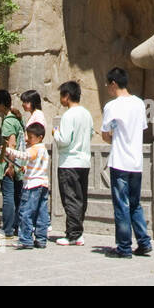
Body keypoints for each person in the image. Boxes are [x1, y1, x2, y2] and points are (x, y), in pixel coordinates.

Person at [101, 67, 151, 258]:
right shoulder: (139, 104)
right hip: (136, 162)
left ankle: (124, 247)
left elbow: (106, 134)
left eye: (108, 84)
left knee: (121, 205)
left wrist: (113, 138)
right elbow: (141, 129)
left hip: (120, 161)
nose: (107, 88)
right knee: (135, 204)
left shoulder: (111, 106)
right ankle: (144, 242)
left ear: (113, 83)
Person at [53, 80, 93, 246]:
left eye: (61, 95)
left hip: (69, 161)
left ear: (67, 96)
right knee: (80, 198)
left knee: (70, 198)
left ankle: (73, 234)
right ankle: (78, 232)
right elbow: (90, 134)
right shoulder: (86, 114)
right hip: (84, 161)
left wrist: (55, 133)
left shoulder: (68, 115)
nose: (60, 99)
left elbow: (64, 140)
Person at [3, 122, 50, 249]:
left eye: (30, 137)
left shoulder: (34, 148)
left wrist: (9, 150)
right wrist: (25, 168)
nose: (27, 139)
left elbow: (25, 155)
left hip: (32, 186)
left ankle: (26, 239)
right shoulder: (43, 149)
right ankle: (41, 239)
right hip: (43, 184)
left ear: (40, 137)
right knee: (42, 213)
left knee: (26, 212)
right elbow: (36, 165)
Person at [0, 89, 24, 241]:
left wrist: (9, 166)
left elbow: (11, 144)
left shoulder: (9, 121)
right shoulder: (17, 119)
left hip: (9, 164)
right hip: (19, 164)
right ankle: (16, 226)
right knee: (17, 196)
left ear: (1, 103)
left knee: (8, 197)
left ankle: (8, 228)